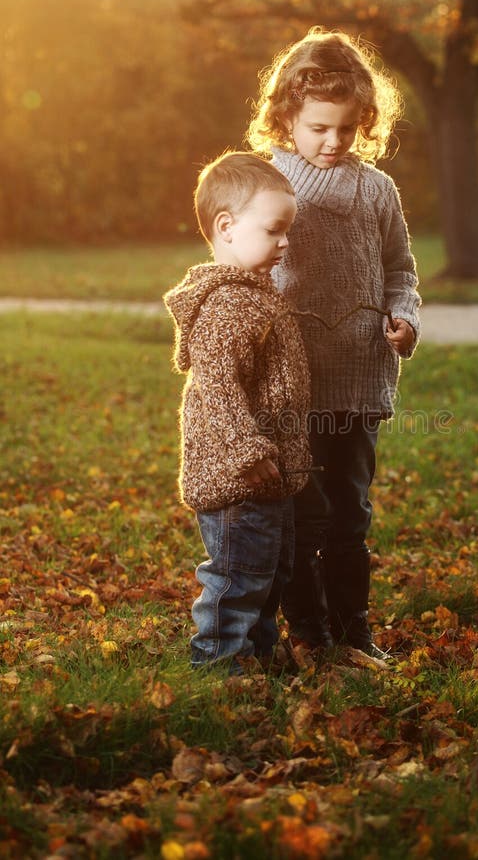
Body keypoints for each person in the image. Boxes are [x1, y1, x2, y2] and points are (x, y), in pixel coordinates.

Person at [246, 28, 421, 660]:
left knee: (350, 516)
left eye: (346, 129)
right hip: (292, 385)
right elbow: (239, 268)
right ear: (287, 115)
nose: (333, 141)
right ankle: (310, 638)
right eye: (319, 127)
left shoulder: (377, 189)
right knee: (301, 517)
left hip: (360, 381)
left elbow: (400, 269)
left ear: (364, 122)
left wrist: (404, 316)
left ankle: (354, 634)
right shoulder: (265, 184)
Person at [163, 150, 312, 674]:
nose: (285, 242)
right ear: (226, 227)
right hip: (238, 480)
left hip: (270, 476)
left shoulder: (258, 297)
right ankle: (217, 663)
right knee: (238, 575)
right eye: (274, 230)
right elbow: (217, 388)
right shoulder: (226, 305)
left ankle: (258, 658)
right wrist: (246, 451)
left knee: (271, 572)